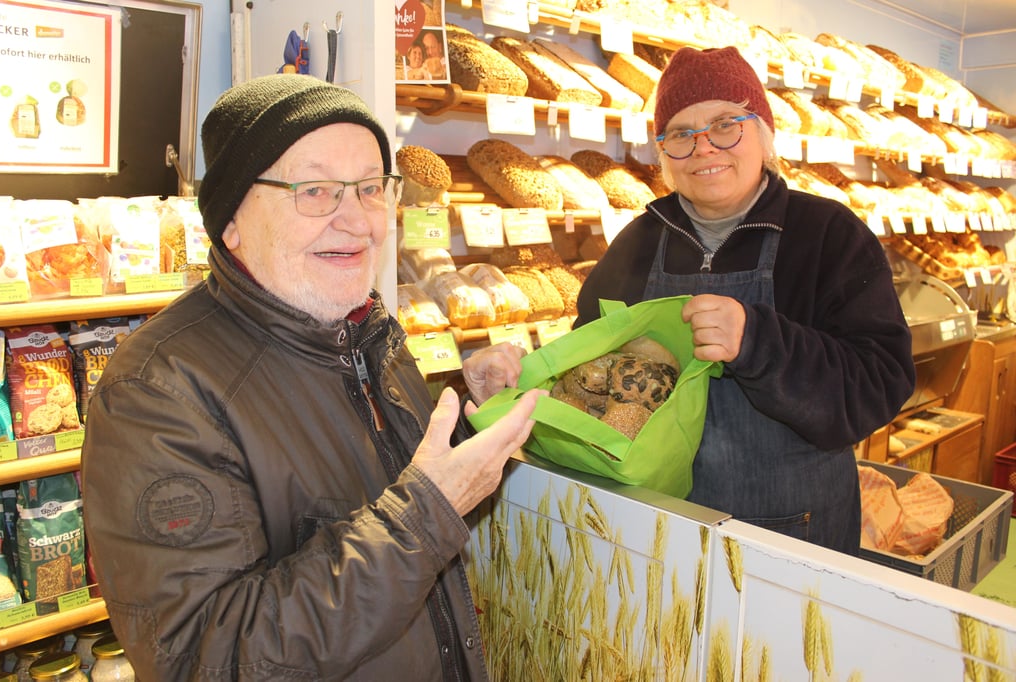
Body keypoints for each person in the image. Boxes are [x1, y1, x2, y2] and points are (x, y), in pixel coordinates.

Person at [81, 73, 537, 681]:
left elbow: (373, 491)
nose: (358, 221)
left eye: (371, 188)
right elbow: (203, 660)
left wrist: (463, 424)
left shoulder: (369, 329)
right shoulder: (158, 389)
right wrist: (430, 510)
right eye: (315, 190)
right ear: (231, 220)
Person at [573, 46, 916, 555]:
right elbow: (582, 372)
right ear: (663, 153)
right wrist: (524, 378)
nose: (704, 148)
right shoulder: (639, 241)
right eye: (681, 135)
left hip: (791, 537)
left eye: (726, 124)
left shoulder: (828, 236)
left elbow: (879, 384)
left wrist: (758, 341)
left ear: (763, 133)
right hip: (653, 530)